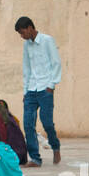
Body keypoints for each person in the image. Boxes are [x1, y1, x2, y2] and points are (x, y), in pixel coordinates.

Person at [15, 16, 62, 166]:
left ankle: (55, 147)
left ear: (30, 28)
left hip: (45, 88)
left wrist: (51, 85)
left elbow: (56, 63)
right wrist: (25, 91)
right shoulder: (26, 45)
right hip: (31, 89)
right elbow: (26, 68)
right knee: (28, 124)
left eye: (22, 33)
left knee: (47, 123)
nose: (22, 36)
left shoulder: (47, 40)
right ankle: (35, 158)